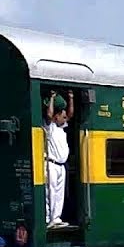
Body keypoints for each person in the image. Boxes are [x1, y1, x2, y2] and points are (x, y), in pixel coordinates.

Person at [44, 89, 73, 227]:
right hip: (51, 164)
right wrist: (51, 98)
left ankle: (56, 218)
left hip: (61, 165)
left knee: (59, 193)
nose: (65, 118)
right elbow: (49, 114)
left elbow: (71, 114)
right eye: (63, 116)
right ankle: (48, 218)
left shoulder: (62, 128)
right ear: (56, 117)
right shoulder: (50, 127)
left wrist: (71, 98)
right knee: (50, 191)